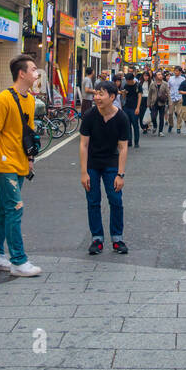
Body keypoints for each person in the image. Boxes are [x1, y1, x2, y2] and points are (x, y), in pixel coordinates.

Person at [0, 54, 44, 277]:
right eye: (34, 69)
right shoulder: (3, 99)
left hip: (19, 162)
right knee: (15, 208)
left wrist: (29, 160)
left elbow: (28, 133)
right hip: (4, 164)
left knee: (4, 209)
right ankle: (18, 260)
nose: (37, 73)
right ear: (22, 73)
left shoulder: (28, 99)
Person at [79, 80, 129, 255]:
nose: (97, 97)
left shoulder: (122, 118)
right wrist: (84, 172)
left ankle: (117, 238)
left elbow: (123, 147)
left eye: (101, 94)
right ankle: (97, 238)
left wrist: (120, 174)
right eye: (96, 94)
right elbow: (83, 145)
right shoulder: (89, 115)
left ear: (112, 97)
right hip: (92, 163)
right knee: (93, 201)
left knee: (116, 200)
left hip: (111, 163)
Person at [121, 72, 144, 149]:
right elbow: (124, 98)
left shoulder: (138, 85)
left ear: (132, 79)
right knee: (127, 125)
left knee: (135, 125)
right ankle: (129, 141)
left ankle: (136, 142)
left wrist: (137, 108)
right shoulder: (126, 85)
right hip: (126, 107)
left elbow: (140, 97)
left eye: (128, 81)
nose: (127, 82)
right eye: (126, 80)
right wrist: (124, 93)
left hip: (134, 108)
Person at [150, 71, 170, 136]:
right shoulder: (152, 84)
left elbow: (168, 93)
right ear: (155, 76)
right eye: (158, 74)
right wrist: (148, 103)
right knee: (153, 117)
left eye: (161, 74)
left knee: (161, 118)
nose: (160, 76)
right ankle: (155, 126)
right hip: (154, 102)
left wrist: (170, 102)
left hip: (162, 102)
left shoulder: (165, 84)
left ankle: (160, 131)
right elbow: (150, 94)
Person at [167, 67, 186, 133]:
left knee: (179, 113)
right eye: (175, 71)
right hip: (171, 97)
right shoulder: (171, 78)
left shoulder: (183, 79)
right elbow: (168, 87)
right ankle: (171, 124)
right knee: (170, 113)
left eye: (177, 71)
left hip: (179, 97)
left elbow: (185, 89)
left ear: (180, 72)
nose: (176, 72)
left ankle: (178, 127)